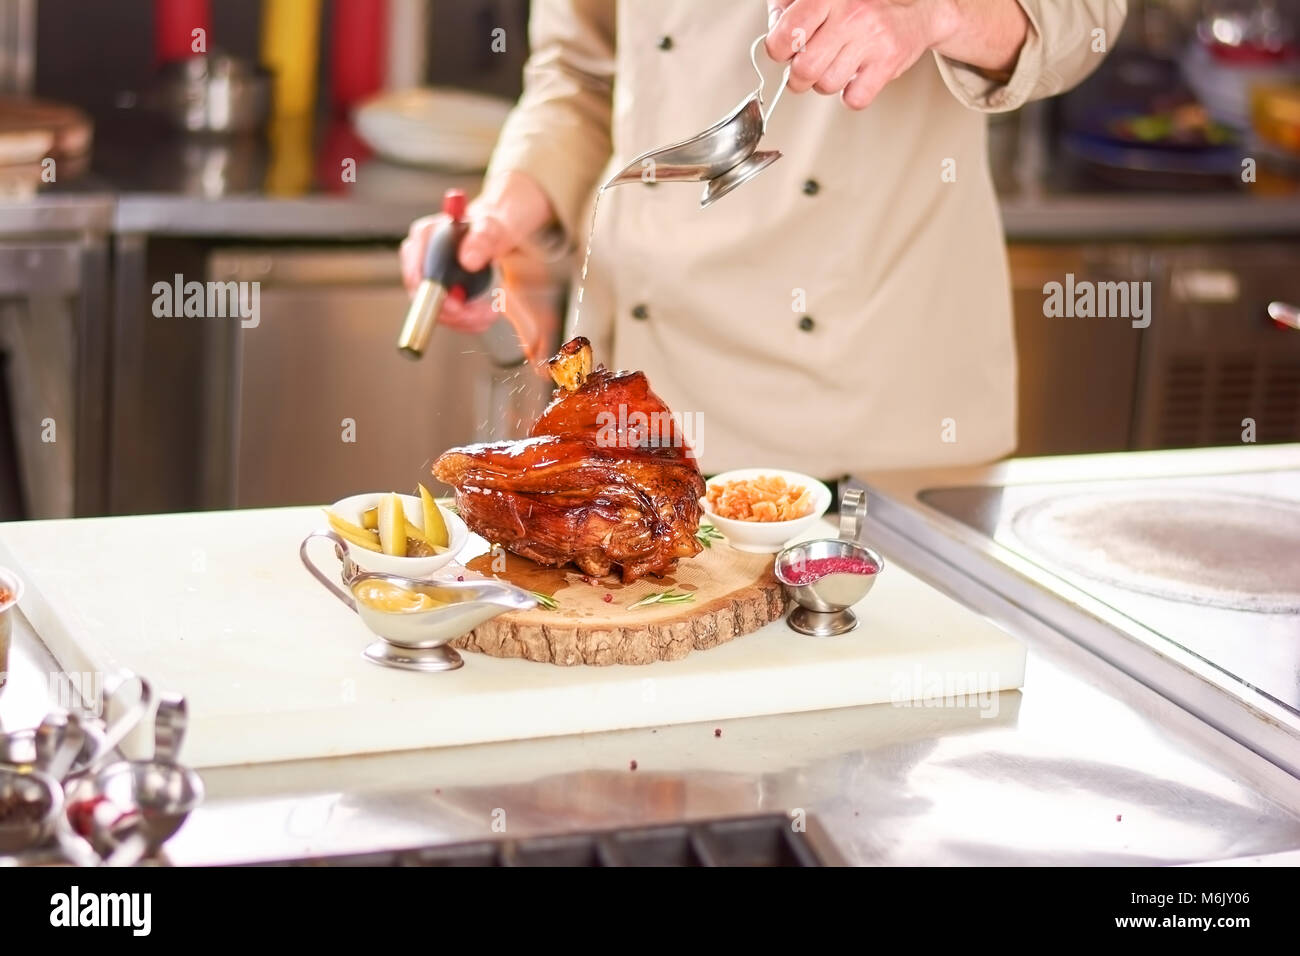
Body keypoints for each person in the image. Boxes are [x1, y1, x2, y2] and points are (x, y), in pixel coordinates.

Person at [402, 0, 1126, 479]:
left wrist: (933, 11)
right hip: (629, 406)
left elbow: (1085, 19)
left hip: (857, 425)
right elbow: (579, 77)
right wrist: (503, 214)